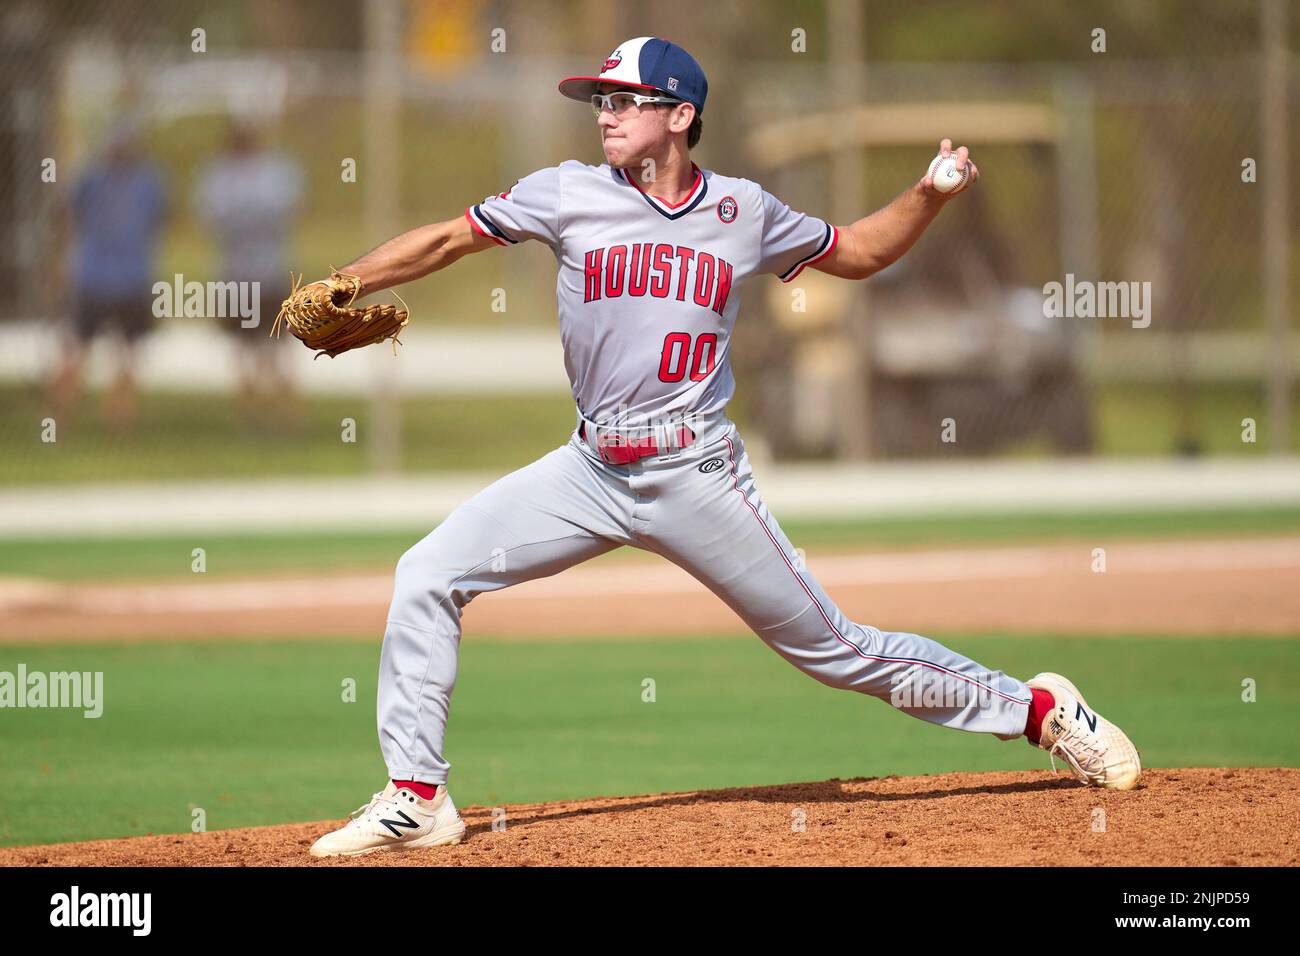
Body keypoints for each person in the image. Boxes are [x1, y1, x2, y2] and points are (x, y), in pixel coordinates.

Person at [307, 37, 1140, 858]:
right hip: (589, 468)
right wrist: (349, 281)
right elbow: (450, 238)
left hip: (696, 472)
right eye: (601, 101)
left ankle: (1040, 711)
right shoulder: (563, 193)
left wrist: (926, 193)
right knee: (427, 573)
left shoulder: (743, 211)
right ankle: (417, 798)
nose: (606, 115)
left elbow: (857, 251)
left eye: (625, 100)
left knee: (839, 651)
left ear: (680, 115)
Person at [49, 121, 165, 430]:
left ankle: (111, 421)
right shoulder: (121, 181)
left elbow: (66, 215)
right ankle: (76, 420)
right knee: (88, 350)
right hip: (105, 277)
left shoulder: (108, 180)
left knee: (118, 353)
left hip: (113, 277)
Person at [195, 120, 304, 430]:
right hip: (236, 274)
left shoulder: (276, 173)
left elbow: (286, 215)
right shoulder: (219, 175)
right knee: (244, 351)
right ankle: (251, 418)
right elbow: (212, 221)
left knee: (279, 349)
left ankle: (286, 418)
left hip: (270, 271)